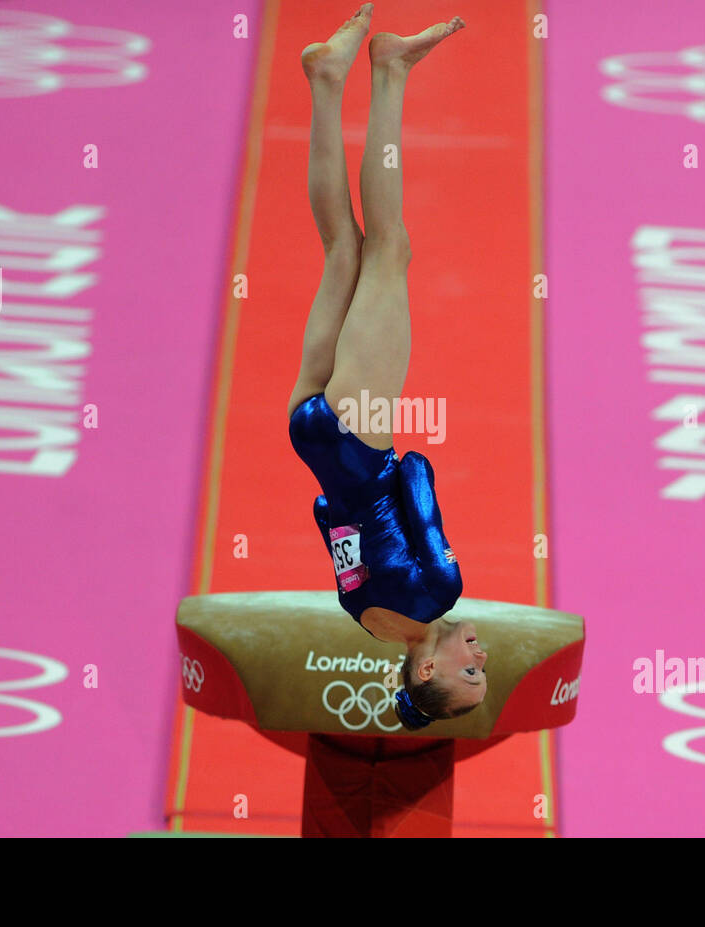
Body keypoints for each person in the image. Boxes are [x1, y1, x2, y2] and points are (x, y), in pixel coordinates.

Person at [286, 4, 486, 729]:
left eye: (469, 672)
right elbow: (323, 515)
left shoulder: (439, 589)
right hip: (312, 435)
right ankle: (327, 79)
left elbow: (416, 473)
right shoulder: (365, 618)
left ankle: (390, 69)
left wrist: (384, 477)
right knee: (342, 248)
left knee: (388, 248)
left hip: (361, 438)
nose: (481, 655)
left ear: (425, 668)